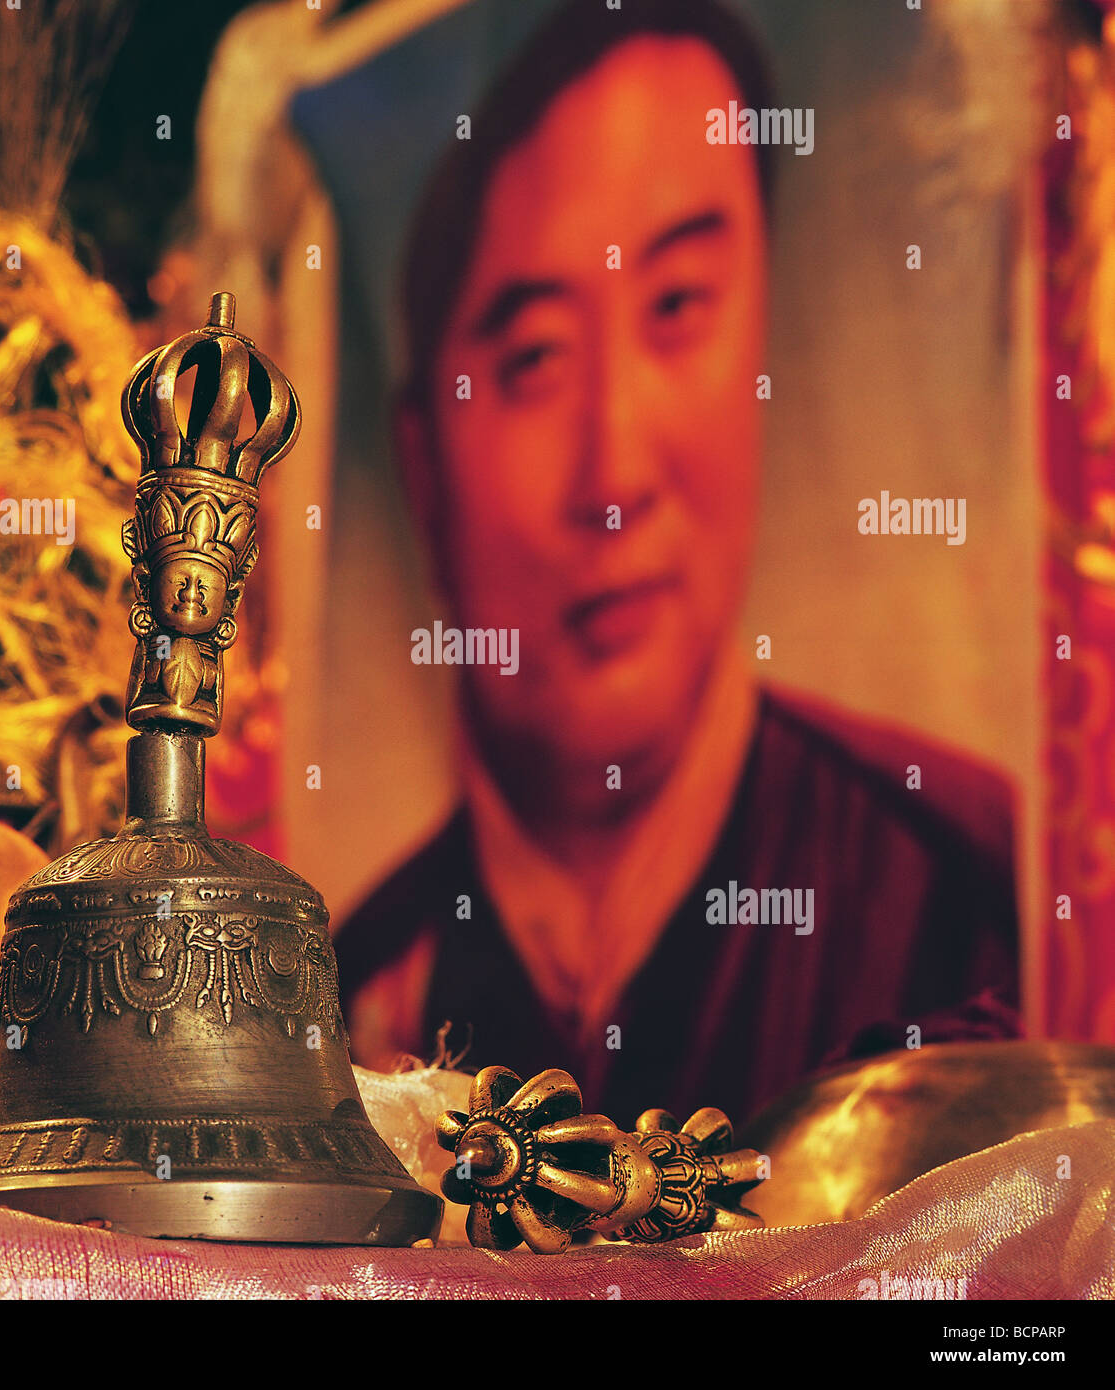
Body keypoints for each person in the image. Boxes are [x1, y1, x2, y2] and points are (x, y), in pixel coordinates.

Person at [334, 0, 1019, 1126]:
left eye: (677, 306)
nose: (614, 474)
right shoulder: (350, 991)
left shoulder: (956, 885)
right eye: (535, 357)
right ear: (421, 465)